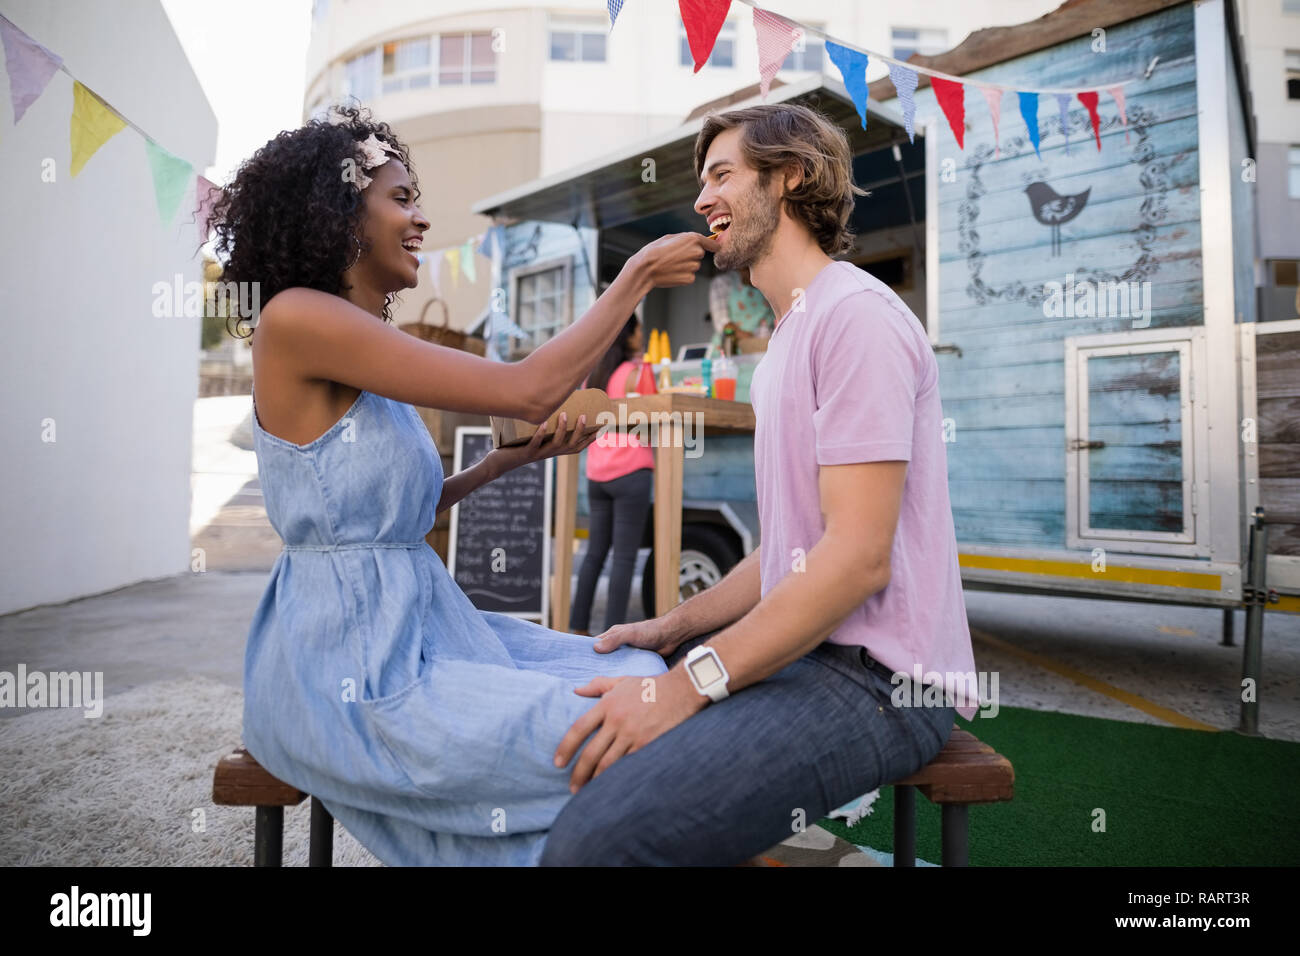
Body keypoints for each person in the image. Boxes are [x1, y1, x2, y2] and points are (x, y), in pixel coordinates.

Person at [211, 104, 717, 866]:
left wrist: (501, 466)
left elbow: (388, 520)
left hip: (431, 633)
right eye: (401, 198)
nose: (421, 219)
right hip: (350, 670)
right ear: (342, 210)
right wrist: (634, 277)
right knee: (621, 730)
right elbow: (527, 389)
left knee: (639, 674)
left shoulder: (362, 348)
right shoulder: (297, 319)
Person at [539, 102, 979, 865]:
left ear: (789, 178)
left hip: (881, 684)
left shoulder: (856, 317)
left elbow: (856, 560)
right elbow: (790, 551)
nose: (703, 199)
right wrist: (671, 630)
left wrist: (683, 688)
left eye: (722, 175)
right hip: (811, 652)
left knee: (596, 842)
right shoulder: (787, 340)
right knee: (581, 758)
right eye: (701, 182)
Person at [569, 314, 655, 637]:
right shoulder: (634, 374)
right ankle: (612, 636)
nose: (641, 336)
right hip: (631, 470)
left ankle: (577, 628)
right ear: (627, 336)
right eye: (639, 331)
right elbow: (654, 414)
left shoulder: (592, 377)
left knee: (594, 554)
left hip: (597, 474)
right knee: (623, 559)